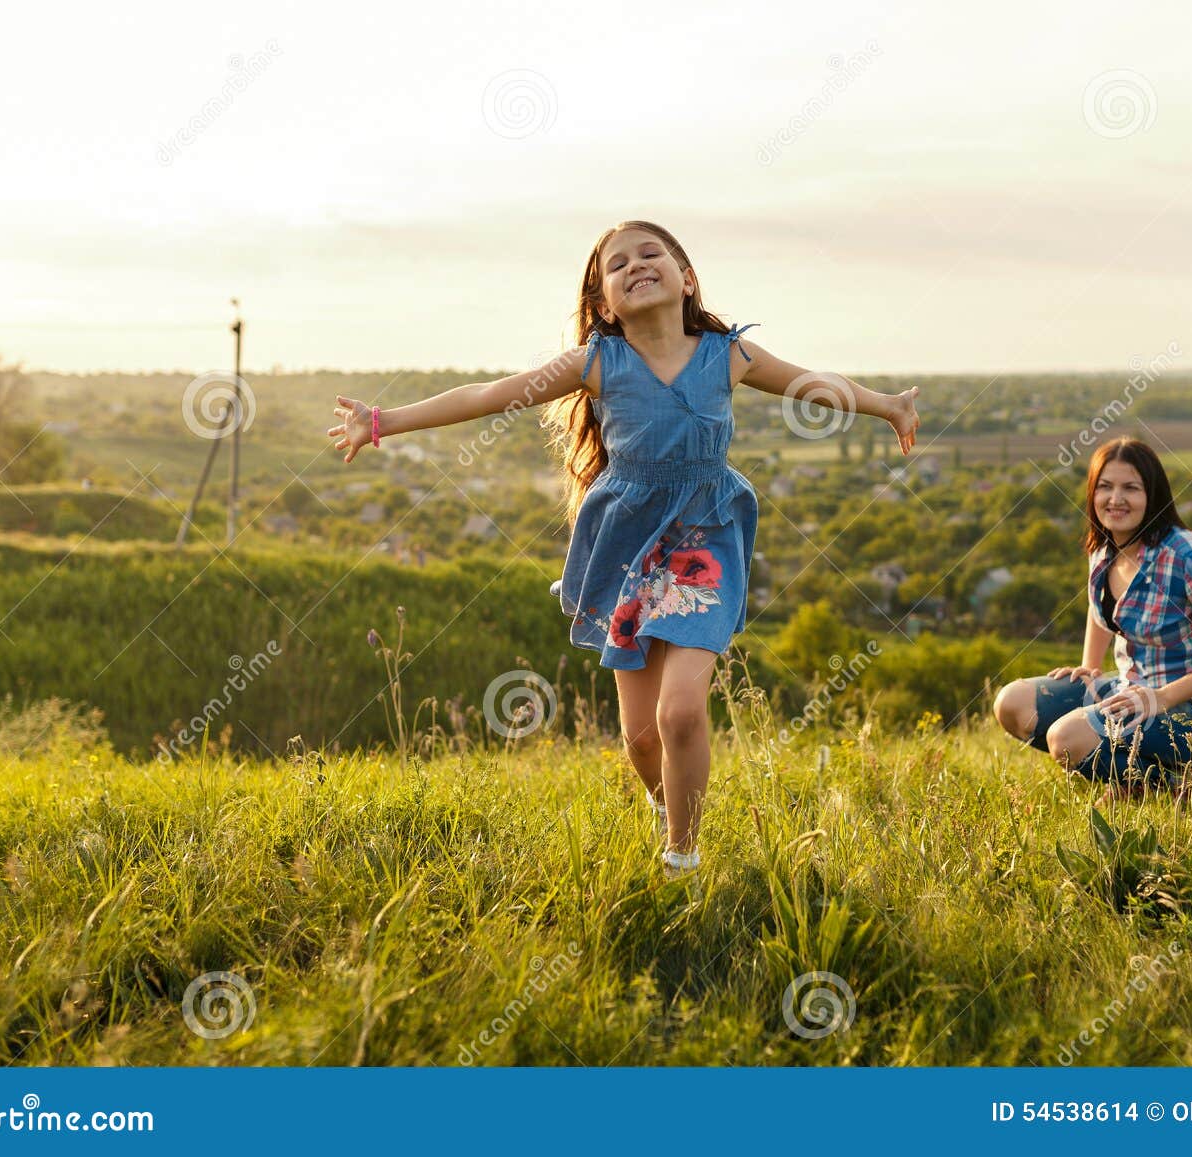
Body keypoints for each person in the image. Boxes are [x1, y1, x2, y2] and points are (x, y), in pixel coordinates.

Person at [329, 220, 921, 872]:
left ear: (686, 278)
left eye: (651, 253)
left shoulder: (727, 355)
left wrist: (887, 404)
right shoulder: (597, 364)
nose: (637, 264)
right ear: (605, 303)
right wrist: (383, 421)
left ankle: (682, 860)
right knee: (642, 740)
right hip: (626, 547)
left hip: (704, 540)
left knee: (681, 714)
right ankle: (665, 804)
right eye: (618, 263)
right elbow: (488, 396)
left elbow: (815, 384)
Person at [992, 437, 1192, 800]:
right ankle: (1150, 783)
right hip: (1130, 689)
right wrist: (1090, 665)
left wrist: (1163, 697)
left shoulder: (1188, 556)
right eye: (1105, 487)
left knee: (1066, 739)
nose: (1116, 499)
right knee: (1011, 704)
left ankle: (1186, 781)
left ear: (1152, 495)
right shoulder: (1105, 548)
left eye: (1130, 488)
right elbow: (1101, 609)